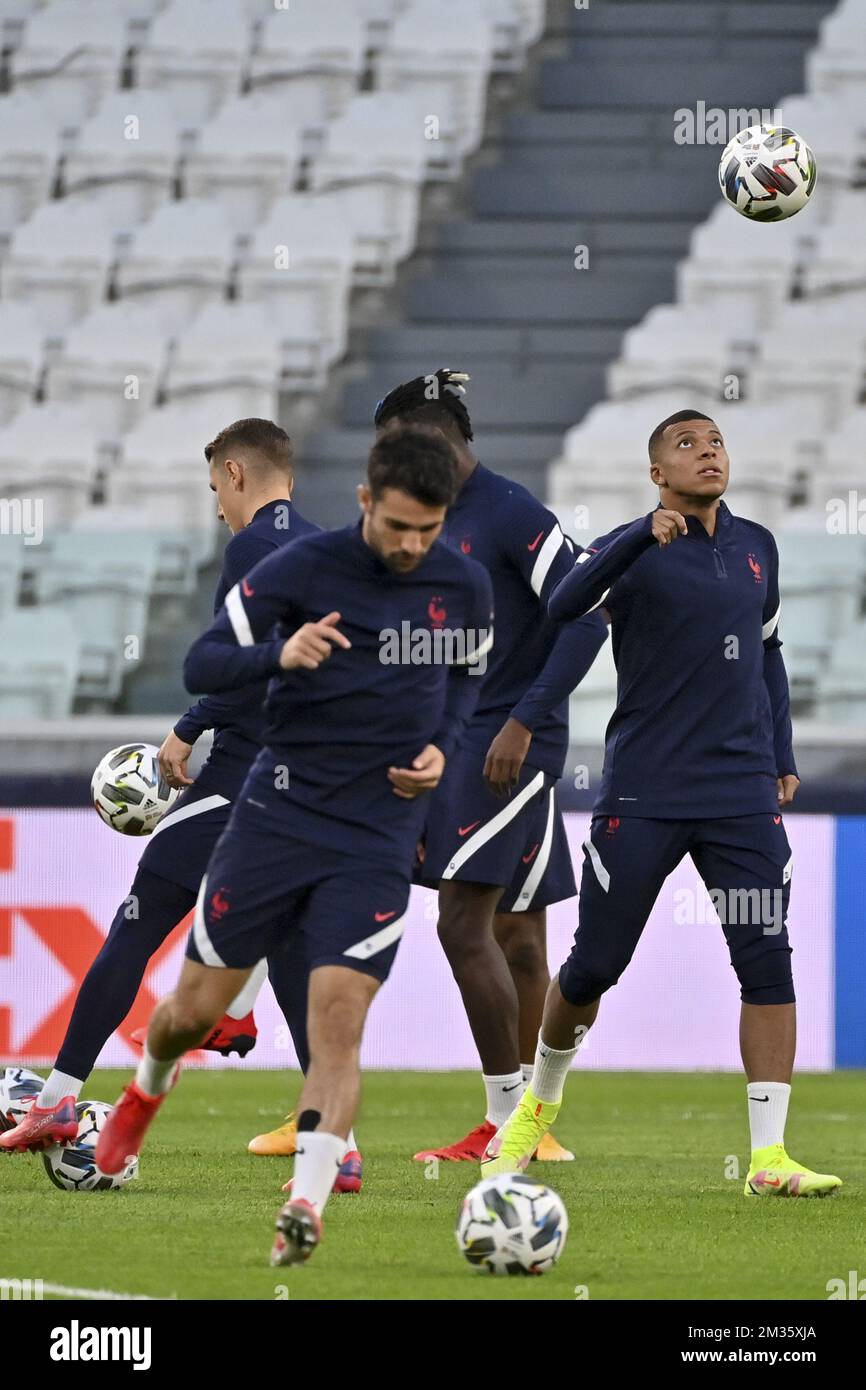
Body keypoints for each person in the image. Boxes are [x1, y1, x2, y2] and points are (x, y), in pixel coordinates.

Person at [95, 425, 495, 1264]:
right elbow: (204, 665)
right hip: (276, 818)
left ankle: (307, 1204)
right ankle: (145, 1091)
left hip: (378, 834)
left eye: (429, 529)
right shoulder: (299, 571)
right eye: (397, 528)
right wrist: (280, 651)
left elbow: (466, 681)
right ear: (363, 504)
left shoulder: (462, 586)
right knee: (190, 1015)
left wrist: (444, 748)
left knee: (338, 1019)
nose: (413, 546)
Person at [482, 410, 842, 1200]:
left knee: (766, 958)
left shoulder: (757, 548)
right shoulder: (632, 547)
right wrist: (642, 538)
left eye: (715, 442)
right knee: (594, 965)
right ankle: (536, 1110)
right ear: (657, 473)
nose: (708, 452)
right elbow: (563, 605)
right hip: (644, 791)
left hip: (741, 793)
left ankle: (770, 1157)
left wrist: (780, 755)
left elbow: (770, 653)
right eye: (687, 444)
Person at [0, 418, 322, 1165]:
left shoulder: (251, 546)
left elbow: (234, 666)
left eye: (216, 488)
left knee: (135, 929)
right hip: (299, 781)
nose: (217, 508)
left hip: (238, 775)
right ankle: (330, 1140)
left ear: (237, 475)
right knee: (295, 951)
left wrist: (191, 724)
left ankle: (53, 1105)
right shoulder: (322, 546)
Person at [368, 370, 608, 1163]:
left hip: (503, 750)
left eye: (395, 450)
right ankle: (536, 1130)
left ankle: (508, 1123)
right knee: (521, 938)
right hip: (457, 742)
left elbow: (589, 613)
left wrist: (523, 719)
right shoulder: (425, 517)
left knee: (460, 923)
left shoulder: (508, 513)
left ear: (435, 438)